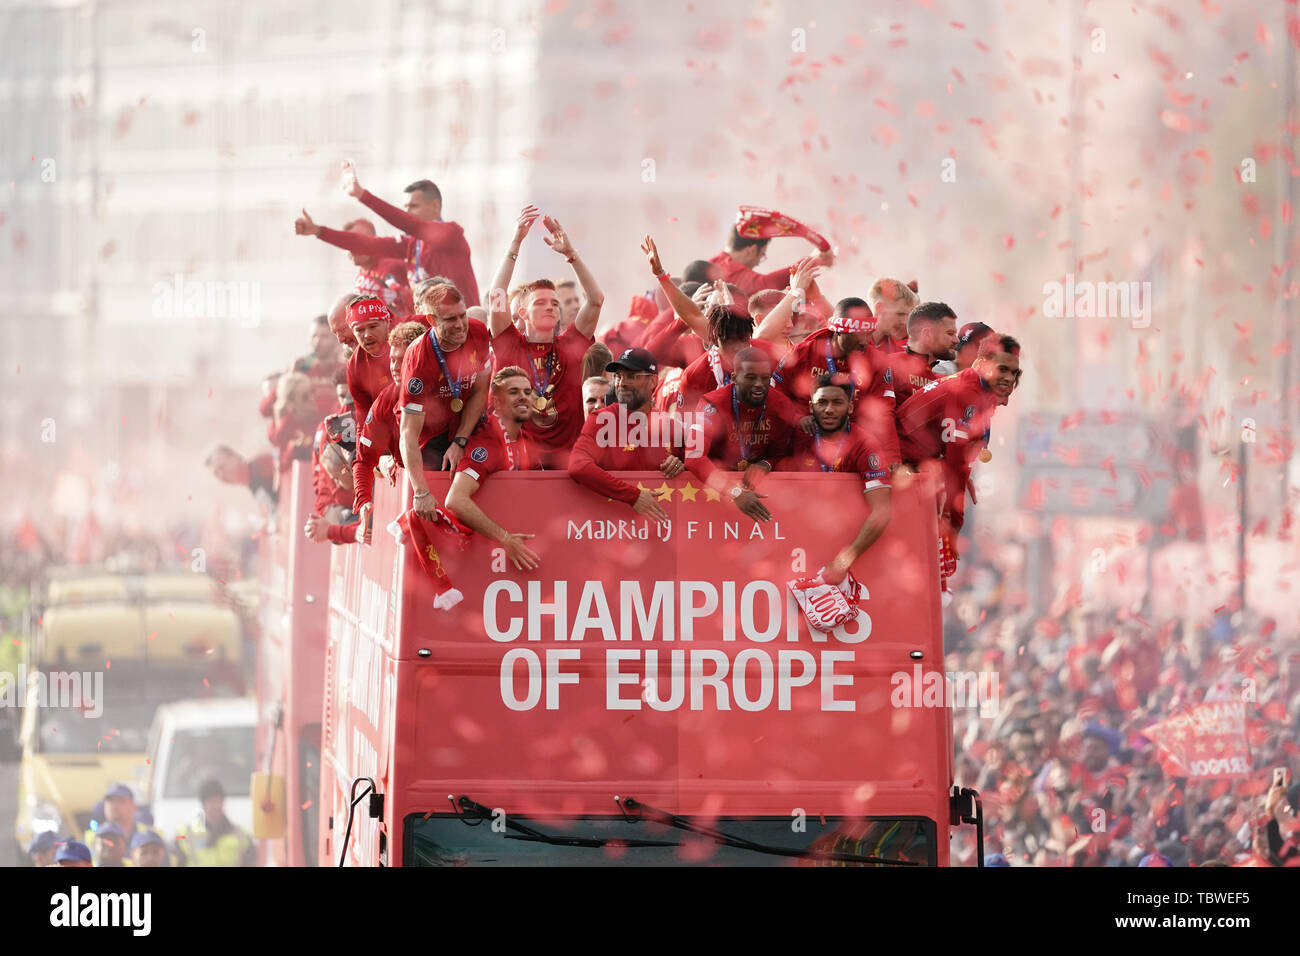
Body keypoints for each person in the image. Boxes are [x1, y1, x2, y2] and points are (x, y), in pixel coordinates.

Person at [897, 334, 1021, 589]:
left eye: (1014, 372)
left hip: (917, 470)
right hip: (899, 469)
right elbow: (954, 466)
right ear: (983, 364)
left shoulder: (978, 390)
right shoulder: (967, 393)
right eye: (1003, 369)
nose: (1009, 378)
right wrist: (952, 529)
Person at [487, 206, 604, 468]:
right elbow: (496, 296)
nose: (550, 306)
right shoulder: (510, 345)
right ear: (523, 313)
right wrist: (516, 243)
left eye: (554, 302)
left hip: (567, 463)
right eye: (540, 302)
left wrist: (571, 255)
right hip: (519, 462)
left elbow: (596, 299)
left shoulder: (569, 345)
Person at [295, 161, 479, 306]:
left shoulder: (451, 234)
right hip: (431, 332)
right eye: (405, 207)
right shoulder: (411, 243)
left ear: (435, 206)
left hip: (463, 330)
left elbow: (408, 223)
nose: (407, 212)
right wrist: (319, 231)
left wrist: (362, 195)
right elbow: (365, 243)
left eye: (413, 206)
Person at [776, 377, 893, 585]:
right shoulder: (799, 437)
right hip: (797, 547)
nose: (829, 409)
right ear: (811, 406)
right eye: (822, 403)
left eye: (837, 403)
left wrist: (843, 561)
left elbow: (881, 512)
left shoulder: (866, 444)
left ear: (849, 407)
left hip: (846, 547)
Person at [398, 282, 492, 512]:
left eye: (462, 315)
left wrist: (460, 441)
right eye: (451, 319)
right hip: (432, 434)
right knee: (435, 494)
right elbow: (408, 433)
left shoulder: (478, 331)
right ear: (432, 320)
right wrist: (420, 492)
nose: (461, 325)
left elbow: (480, 391)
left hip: (468, 423)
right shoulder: (419, 359)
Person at [569, 347, 687, 523]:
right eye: (618, 376)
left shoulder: (671, 427)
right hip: (610, 531)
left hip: (662, 532)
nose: (621, 382)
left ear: (653, 381)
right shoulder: (601, 420)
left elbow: (697, 466)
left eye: (631, 376)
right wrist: (633, 496)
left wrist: (681, 465)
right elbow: (578, 465)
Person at [444, 367, 544, 570]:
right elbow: (455, 500)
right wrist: (506, 539)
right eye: (514, 392)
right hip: (481, 560)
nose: (523, 397)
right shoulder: (486, 442)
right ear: (496, 402)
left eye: (527, 392)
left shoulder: (527, 439)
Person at [685, 347, 801, 521]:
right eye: (750, 377)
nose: (759, 384)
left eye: (764, 378)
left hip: (759, 495)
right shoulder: (710, 404)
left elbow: (782, 455)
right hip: (715, 493)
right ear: (734, 378)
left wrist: (767, 464)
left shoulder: (781, 405)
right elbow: (694, 457)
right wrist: (735, 492)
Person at [354, 321, 428, 538]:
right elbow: (364, 458)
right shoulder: (387, 399)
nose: (395, 367)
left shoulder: (447, 390)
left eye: (402, 360)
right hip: (409, 500)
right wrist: (364, 499)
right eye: (392, 360)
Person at [709, 225, 833, 298]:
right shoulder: (727, 267)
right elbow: (766, 284)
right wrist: (814, 260)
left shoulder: (715, 261)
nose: (758, 263)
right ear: (752, 250)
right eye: (761, 255)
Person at [882, 301, 959, 408]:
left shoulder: (941, 380)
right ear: (927, 334)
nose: (956, 340)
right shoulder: (889, 365)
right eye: (950, 333)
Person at [173, 778, 255, 867]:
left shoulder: (242, 834)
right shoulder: (183, 835)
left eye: (219, 801)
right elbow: (174, 859)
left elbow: (251, 862)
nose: (216, 805)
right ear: (203, 804)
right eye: (211, 801)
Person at [343, 217, 415, 317]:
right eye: (347, 245)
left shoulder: (391, 266)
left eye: (358, 244)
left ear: (373, 241)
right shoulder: (363, 268)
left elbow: (413, 305)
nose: (352, 250)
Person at [344, 296, 396, 424]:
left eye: (373, 327)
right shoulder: (355, 366)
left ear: (387, 322)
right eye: (360, 330)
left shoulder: (409, 338)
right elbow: (364, 419)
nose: (367, 335)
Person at [204, 444, 278, 509]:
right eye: (216, 474)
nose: (221, 475)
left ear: (235, 457)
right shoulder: (253, 487)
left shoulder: (263, 465)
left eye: (221, 467)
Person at [84, 783, 145, 850]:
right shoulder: (92, 838)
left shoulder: (148, 835)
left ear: (134, 807)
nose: (114, 805)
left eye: (120, 800)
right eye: (109, 801)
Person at [866, 278, 920, 353]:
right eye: (900, 314)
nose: (905, 322)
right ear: (879, 308)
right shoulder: (852, 343)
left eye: (908, 315)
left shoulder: (904, 347)